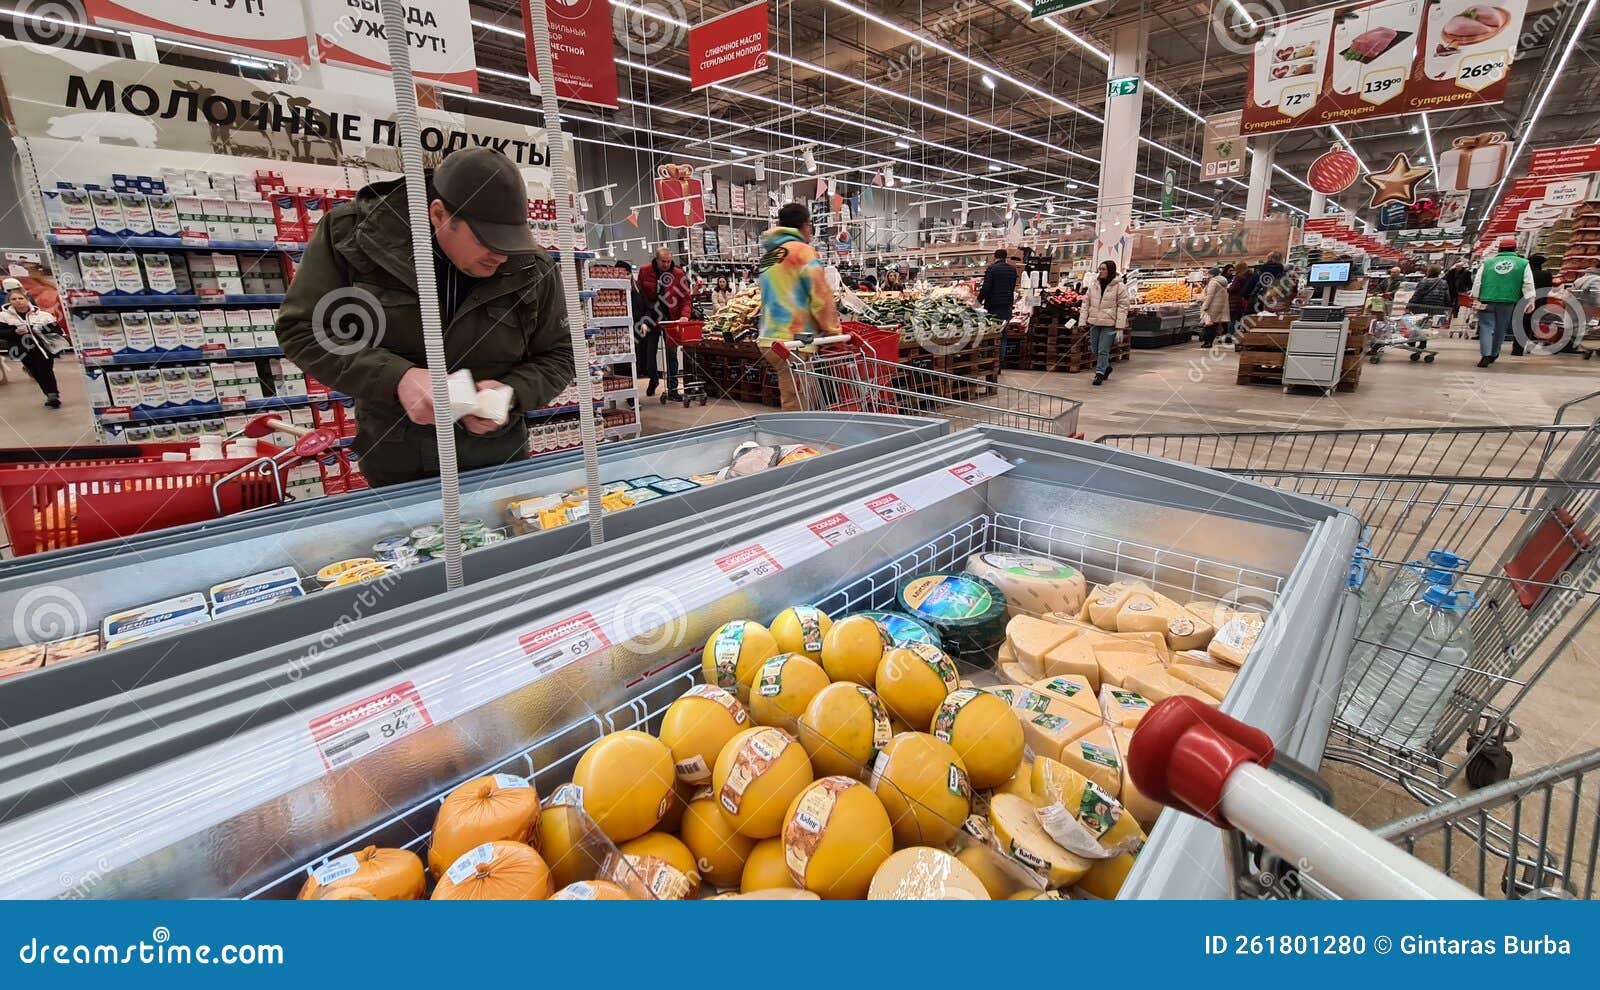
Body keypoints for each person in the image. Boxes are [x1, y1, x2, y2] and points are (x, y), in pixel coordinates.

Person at [276, 147, 574, 487]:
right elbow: (305, 330)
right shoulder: (352, 239)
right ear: (439, 214)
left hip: (497, 458)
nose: (502, 256)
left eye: (511, 241)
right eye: (488, 241)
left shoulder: (532, 266)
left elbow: (560, 354)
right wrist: (396, 377)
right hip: (397, 462)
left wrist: (512, 392)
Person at [758, 202, 841, 411]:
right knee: (799, 404)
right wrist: (834, 332)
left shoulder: (770, 255)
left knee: (791, 396)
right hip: (794, 341)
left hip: (770, 338)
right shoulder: (803, 252)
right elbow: (821, 296)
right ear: (805, 225)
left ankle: (795, 440)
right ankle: (797, 443)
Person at [1469, 237, 1535, 368]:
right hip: (1508, 300)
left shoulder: (1488, 263)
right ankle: (1494, 353)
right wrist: (1530, 300)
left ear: (1499, 249)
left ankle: (1485, 354)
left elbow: (1478, 281)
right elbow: (1528, 283)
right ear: (1515, 249)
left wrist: (1475, 296)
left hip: (1487, 299)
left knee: (1486, 327)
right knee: (1500, 328)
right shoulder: (1523, 263)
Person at [636, 246, 690, 397]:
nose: (666, 264)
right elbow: (641, 297)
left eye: (669, 261)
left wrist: (685, 315)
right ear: (656, 259)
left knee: (672, 353)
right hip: (651, 316)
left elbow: (686, 298)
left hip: (672, 318)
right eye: (663, 261)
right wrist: (643, 320)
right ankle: (653, 380)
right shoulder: (645, 271)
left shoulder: (678, 274)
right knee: (650, 353)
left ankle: (673, 388)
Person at [0, 279, 62, 407]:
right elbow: (2, 332)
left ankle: (53, 395)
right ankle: (48, 393)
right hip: (23, 349)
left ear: (26, 299)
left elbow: (56, 330)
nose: (18, 301)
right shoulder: (4, 316)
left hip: (43, 348)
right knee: (35, 372)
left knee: (45, 371)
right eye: (14, 299)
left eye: (20, 298)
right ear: (9, 301)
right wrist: (14, 332)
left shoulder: (42, 315)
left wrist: (41, 329)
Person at [1082, 259, 1129, 386]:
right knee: (1094, 349)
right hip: (1095, 322)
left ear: (1110, 271)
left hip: (1109, 323)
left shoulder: (1119, 286)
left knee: (1103, 350)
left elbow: (1123, 307)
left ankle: (1099, 374)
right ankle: (1106, 367)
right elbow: (1086, 303)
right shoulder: (1094, 285)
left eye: (1104, 269)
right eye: (1100, 269)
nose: (1101, 271)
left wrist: (1120, 327)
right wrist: (1082, 321)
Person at [977, 248, 1019, 323]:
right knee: (1004, 327)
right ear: (1005, 257)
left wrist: (978, 300)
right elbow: (1013, 286)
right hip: (1008, 304)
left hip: (994, 304)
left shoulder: (992, 269)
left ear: (994, 257)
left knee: (995, 328)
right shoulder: (1013, 269)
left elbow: (986, 287)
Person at [1200, 265, 1232, 347]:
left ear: (1213, 275)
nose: (1208, 276)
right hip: (1219, 306)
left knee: (1209, 325)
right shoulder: (1223, 282)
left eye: (1209, 274)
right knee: (1214, 325)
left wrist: (1205, 306)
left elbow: (1210, 295)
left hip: (1212, 306)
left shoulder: (1213, 282)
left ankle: (1208, 342)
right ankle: (1209, 341)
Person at [1228, 263, 1254, 334]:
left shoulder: (1239, 277)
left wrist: (1228, 288)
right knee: (1241, 318)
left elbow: (1233, 289)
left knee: (1233, 318)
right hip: (1245, 300)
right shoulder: (1251, 276)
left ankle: (1229, 336)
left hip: (1236, 300)